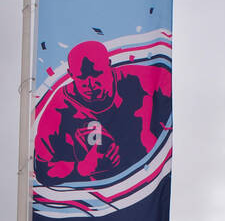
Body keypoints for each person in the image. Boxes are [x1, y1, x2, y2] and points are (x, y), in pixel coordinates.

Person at [34, 40, 171, 185]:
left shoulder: (142, 81)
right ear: (71, 74)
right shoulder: (59, 107)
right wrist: (81, 168)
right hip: (100, 197)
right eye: (82, 77)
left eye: (96, 74)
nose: (91, 84)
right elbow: (43, 169)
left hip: (148, 182)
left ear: (109, 64)